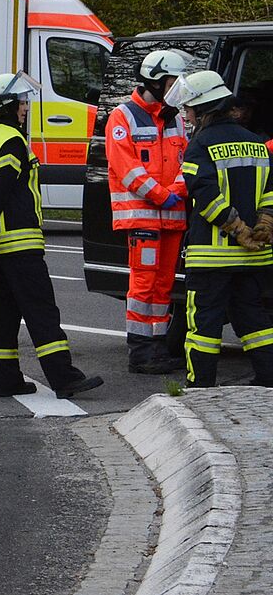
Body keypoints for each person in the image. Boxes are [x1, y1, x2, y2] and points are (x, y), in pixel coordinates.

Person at [0, 72, 103, 398]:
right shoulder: (11, 140)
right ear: (5, 105)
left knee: (2, 314)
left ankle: (6, 379)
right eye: (21, 102)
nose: (25, 108)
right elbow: (3, 184)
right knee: (41, 311)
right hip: (20, 243)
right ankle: (64, 378)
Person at [164, 70, 273, 387]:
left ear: (203, 108)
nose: (186, 115)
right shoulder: (256, 144)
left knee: (203, 325)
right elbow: (269, 191)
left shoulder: (199, 146)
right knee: (254, 320)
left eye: (188, 109)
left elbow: (205, 196)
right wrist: (264, 223)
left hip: (212, 259)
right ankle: (268, 379)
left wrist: (238, 229)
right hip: (254, 258)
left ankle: (200, 388)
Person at [104, 49, 189, 374]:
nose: (175, 87)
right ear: (154, 81)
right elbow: (125, 168)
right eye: (170, 81)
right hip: (142, 215)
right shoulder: (122, 117)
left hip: (171, 217)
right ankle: (140, 352)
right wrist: (161, 195)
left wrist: (175, 192)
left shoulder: (175, 117)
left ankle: (157, 347)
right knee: (143, 284)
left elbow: (186, 161)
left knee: (164, 284)